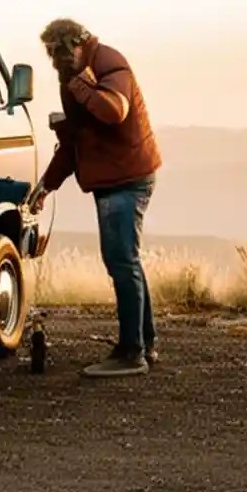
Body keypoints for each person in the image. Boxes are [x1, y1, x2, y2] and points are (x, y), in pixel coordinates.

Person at [29, 19, 163, 378]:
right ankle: (144, 343)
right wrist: (46, 185)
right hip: (110, 178)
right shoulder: (72, 78)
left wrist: (81, 85)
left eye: (61, 51)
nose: (56, 60)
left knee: (121, 261)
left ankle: (131, 353)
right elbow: (73, 141)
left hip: (127, 178)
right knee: (126, 260)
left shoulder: (108, 64)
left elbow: (113, 111)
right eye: (50, 53)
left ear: (80, 42)